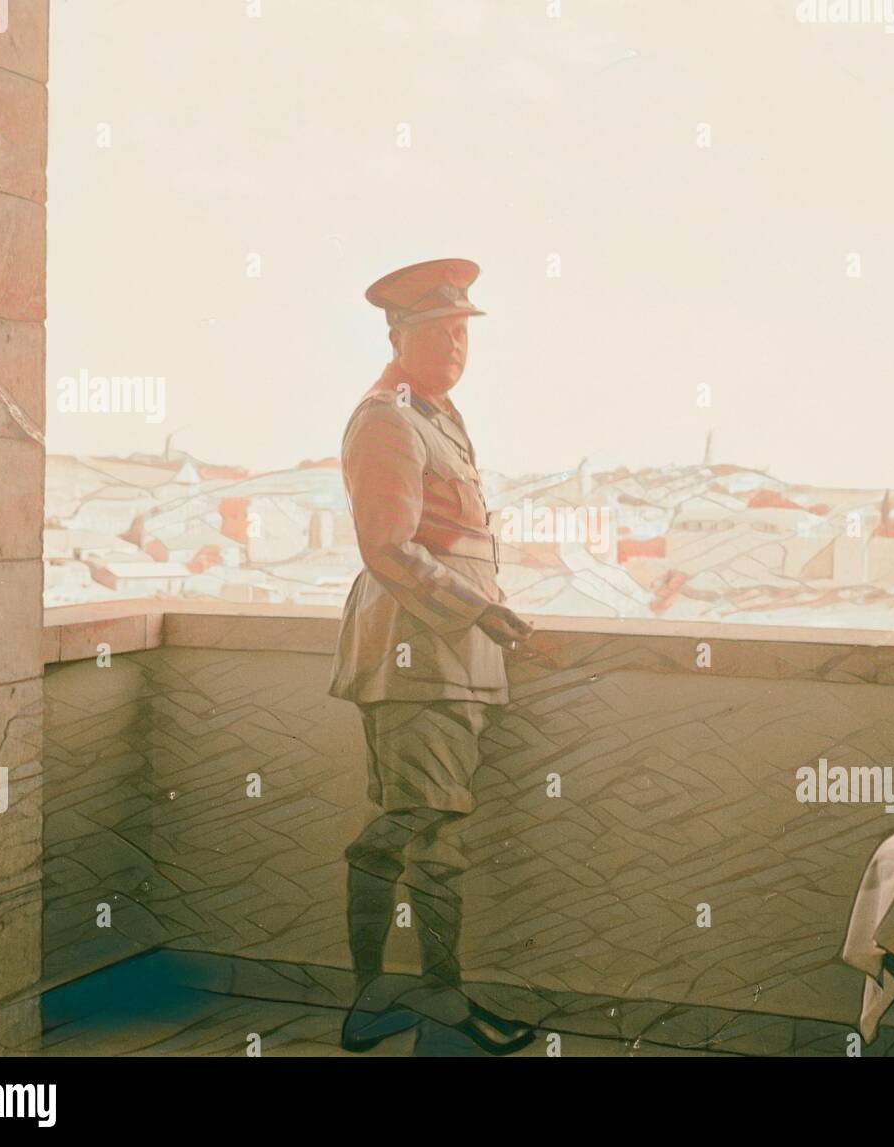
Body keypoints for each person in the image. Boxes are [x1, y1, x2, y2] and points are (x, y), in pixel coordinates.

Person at [329, 258, 536, 1054]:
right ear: (397, 334)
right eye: (438, 331)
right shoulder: (388, 417)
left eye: (463, 331)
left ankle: (397, 1008)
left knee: (425, 832)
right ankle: (431, 1018)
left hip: (451, 654)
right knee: (432, 840)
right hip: (424, 654)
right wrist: (482, 610)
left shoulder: (435, 413)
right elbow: (388, 546)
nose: (455, 344)